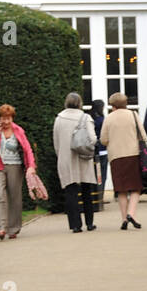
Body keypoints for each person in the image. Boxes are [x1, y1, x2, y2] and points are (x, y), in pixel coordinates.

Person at [0, 103, 37, 239]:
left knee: (15, 197)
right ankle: (1, 228)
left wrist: (31, 166)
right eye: (3, 118)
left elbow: (27, 149)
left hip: (15, 166)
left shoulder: (18, 130)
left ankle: (13, 228)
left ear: (12, 118)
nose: (6, 121)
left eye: (9, 118)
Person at [99, 92, 147, 230]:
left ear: (112, 105)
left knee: (121, 189)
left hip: (116, 157)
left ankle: (124, 219)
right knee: (136, 188)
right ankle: (131, 213)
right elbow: (143, 135)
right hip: (133, 154)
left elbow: (103, 139)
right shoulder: (133, 115)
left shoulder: (108, 118)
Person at [53, 92, 97, 233]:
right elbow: (93, 138)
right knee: (86, 190)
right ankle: (89, 223)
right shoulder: (86, 117)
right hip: (83, 157)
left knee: (70, 191)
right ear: (80, 103)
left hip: (66, 157)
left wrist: (60, 154)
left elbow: (56, 141)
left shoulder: (59, 118)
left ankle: (75, 225)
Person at [91, 99, 108, 200]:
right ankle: (100, 195)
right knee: (102, 174)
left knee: (94, 175)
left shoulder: (90, 118)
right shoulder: (102, 119)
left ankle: (95, 195)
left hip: (93, 151)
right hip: (103, 150)